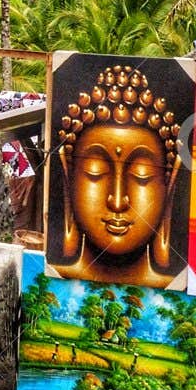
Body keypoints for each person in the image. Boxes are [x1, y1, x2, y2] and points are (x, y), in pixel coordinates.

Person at [51, 64, 182, 288]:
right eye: (96, 171)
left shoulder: (182, 290)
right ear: (68, 179)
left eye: (142, 175)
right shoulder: (44, 282)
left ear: (168, 187)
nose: (118, 201)